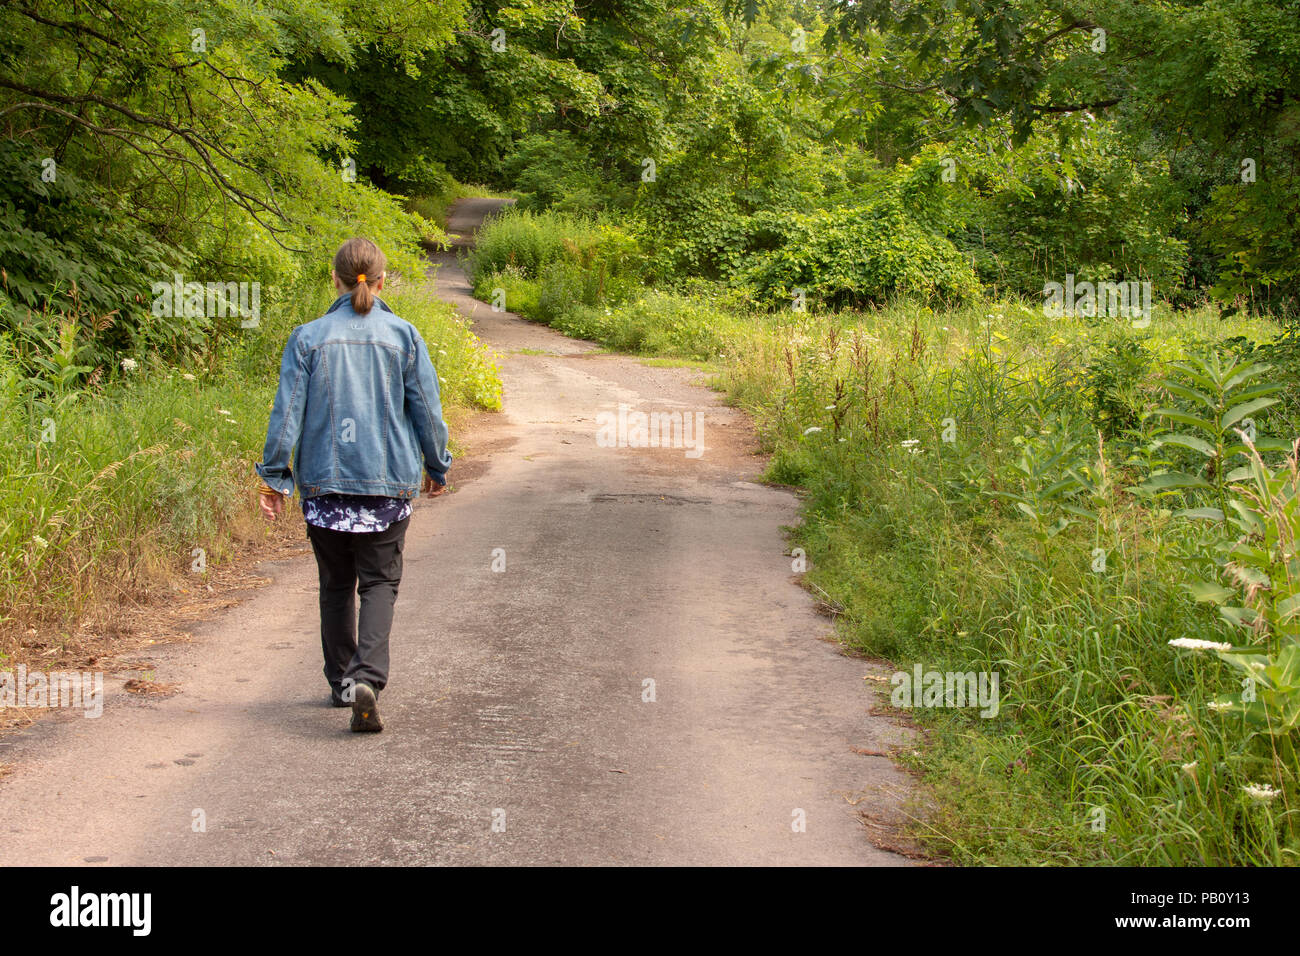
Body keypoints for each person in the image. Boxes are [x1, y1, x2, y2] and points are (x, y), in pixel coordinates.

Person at [255, 238, 452, 733]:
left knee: (336, 585)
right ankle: (369, 676)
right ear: (382, 281)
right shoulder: (404, 336)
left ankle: (344, 681)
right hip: (387, 488)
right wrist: (436, 466)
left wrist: (275, 479)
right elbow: (426, 411)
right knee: (380, 582)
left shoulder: (307, 338)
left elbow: (287, 416)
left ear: (335, 279)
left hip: (325, 488)